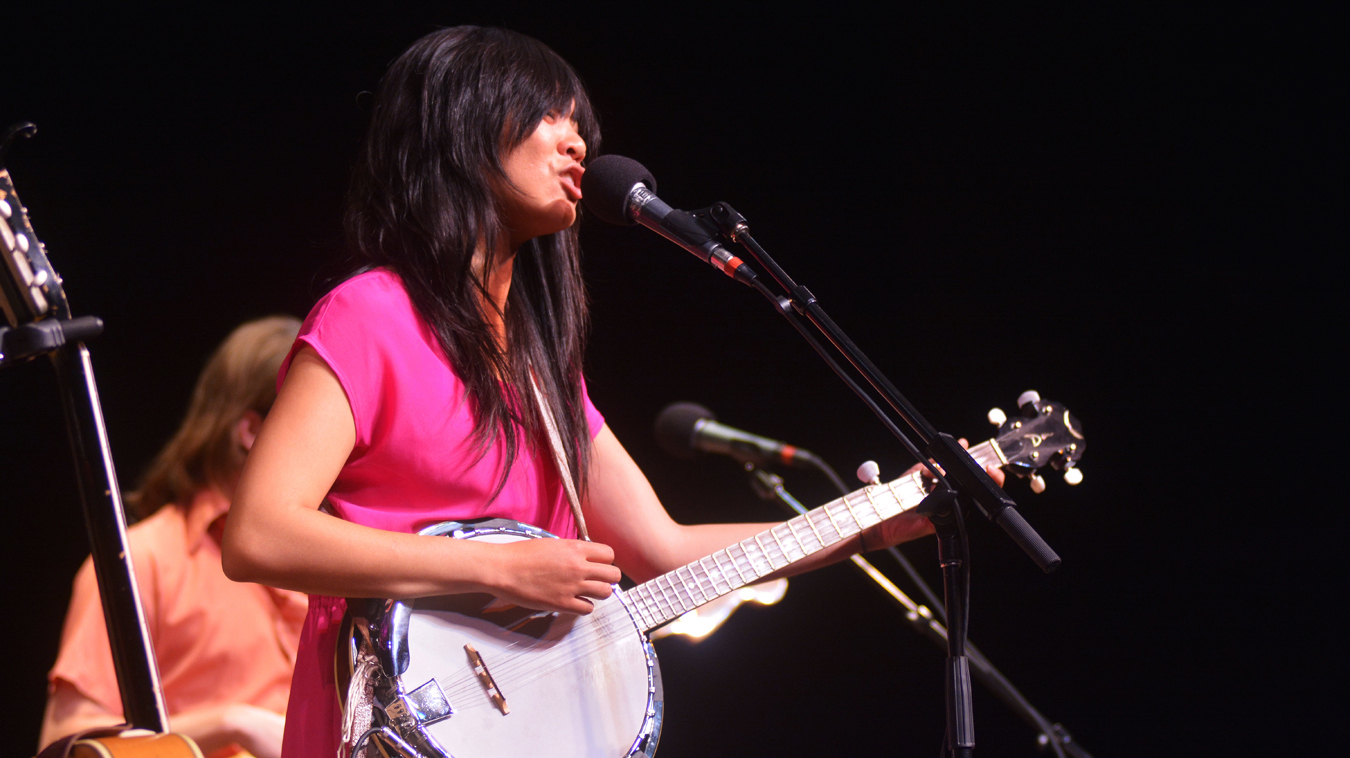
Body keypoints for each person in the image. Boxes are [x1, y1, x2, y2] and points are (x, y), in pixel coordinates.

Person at [220, 26, 1005, 757]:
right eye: (547, 118)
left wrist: (883, 520)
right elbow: (259, 534)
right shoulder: (372, 314)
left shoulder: (539, 363)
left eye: (580, 125)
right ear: (461, 130)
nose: (579, 144)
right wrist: (501, 571)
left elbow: (663, 551)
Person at [40, 316, 307, 758]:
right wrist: (232, 722)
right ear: (250, 432)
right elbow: (62, 740)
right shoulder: (144, 560)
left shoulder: (322, 555)